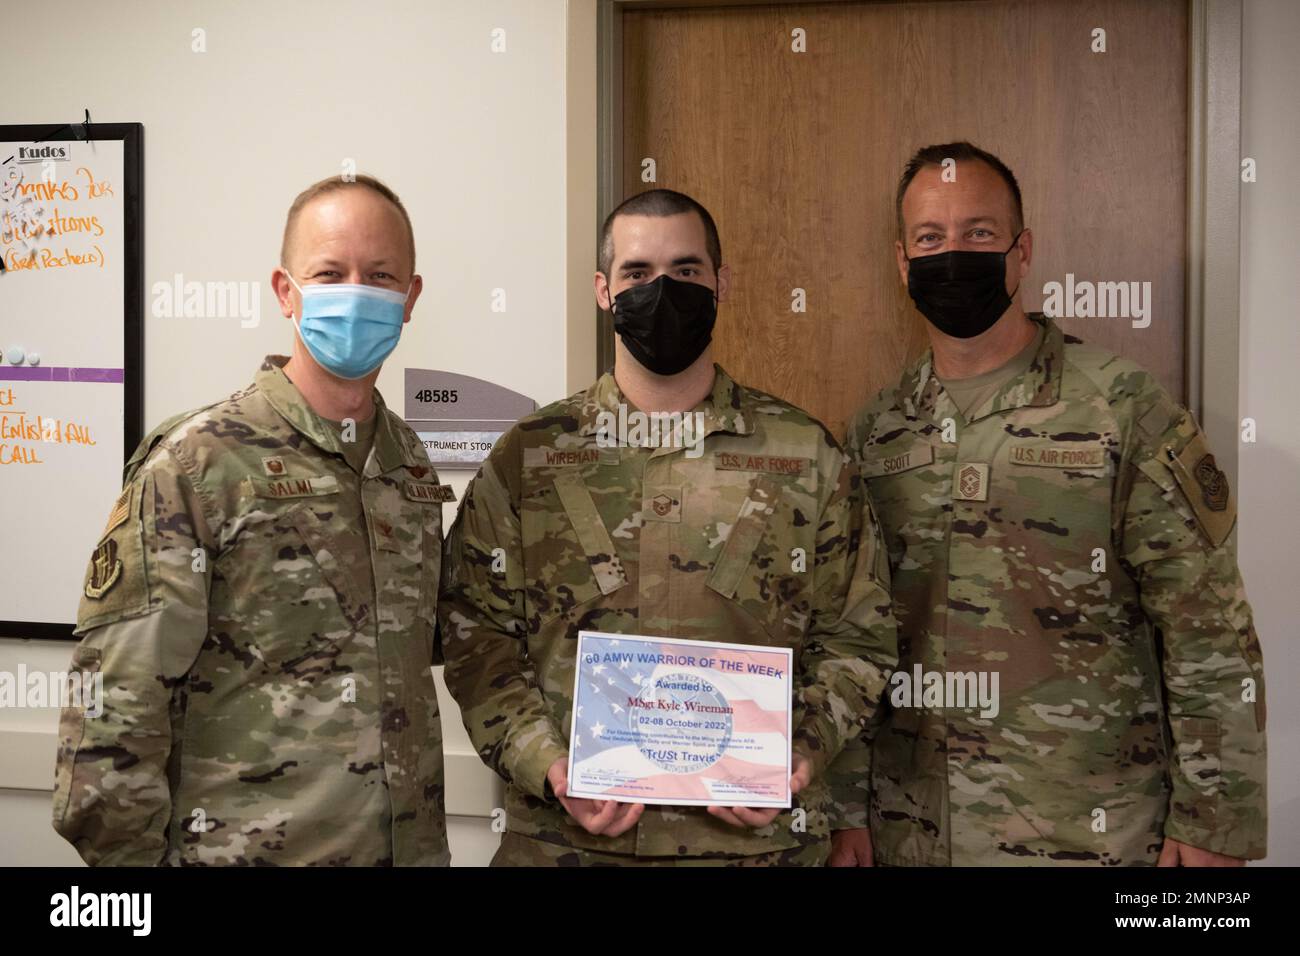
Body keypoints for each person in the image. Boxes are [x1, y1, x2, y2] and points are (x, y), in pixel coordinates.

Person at [834, 142, 1267, 866]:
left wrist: (1214, 826)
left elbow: (1207, 626)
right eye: (930, 239)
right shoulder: (876, 430)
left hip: (1093, 833)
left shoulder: (1124, 406)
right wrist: (847, 806)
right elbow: (854, 636)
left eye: (978, 233)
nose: (954, 255)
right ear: (902, 262)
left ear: (1022, 250)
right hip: (912, 830)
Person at [439, 188, 896, 866]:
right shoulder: (527, 459)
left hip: (755, 849)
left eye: (685, 272)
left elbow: (859, 633)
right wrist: (548, 763)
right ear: (603, 290)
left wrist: (797, 755)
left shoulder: (806, 456)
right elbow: (475, 633)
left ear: (721, 284)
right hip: (565, 846)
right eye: (637, 273)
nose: (662, 291)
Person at [52, 174, 451, 866]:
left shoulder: (405, 464)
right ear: (285, 291)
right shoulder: (199, 463)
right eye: (330, 273)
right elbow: (110, 720)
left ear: (410, 297)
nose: (355, 291)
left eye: (379, 275)